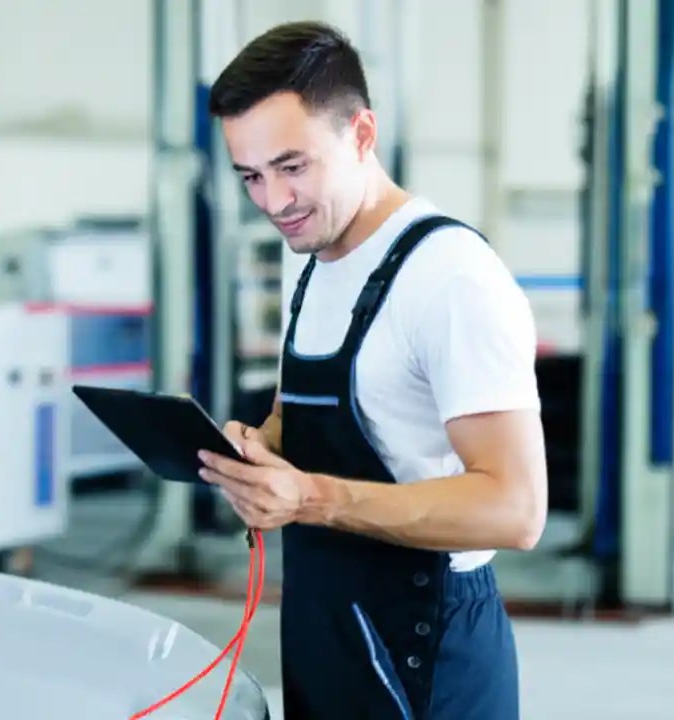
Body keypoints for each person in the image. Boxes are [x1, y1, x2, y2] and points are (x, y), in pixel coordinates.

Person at [195, 21, 548, 720]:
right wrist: (262, 449)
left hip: (427, 655)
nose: (273, 202)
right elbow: (317, 420)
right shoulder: (320, 262)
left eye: (293, 168)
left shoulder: (450, 279)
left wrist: (311, 499)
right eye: (251, 177)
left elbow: (515, 508)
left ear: (361, 135)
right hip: (331, 635)